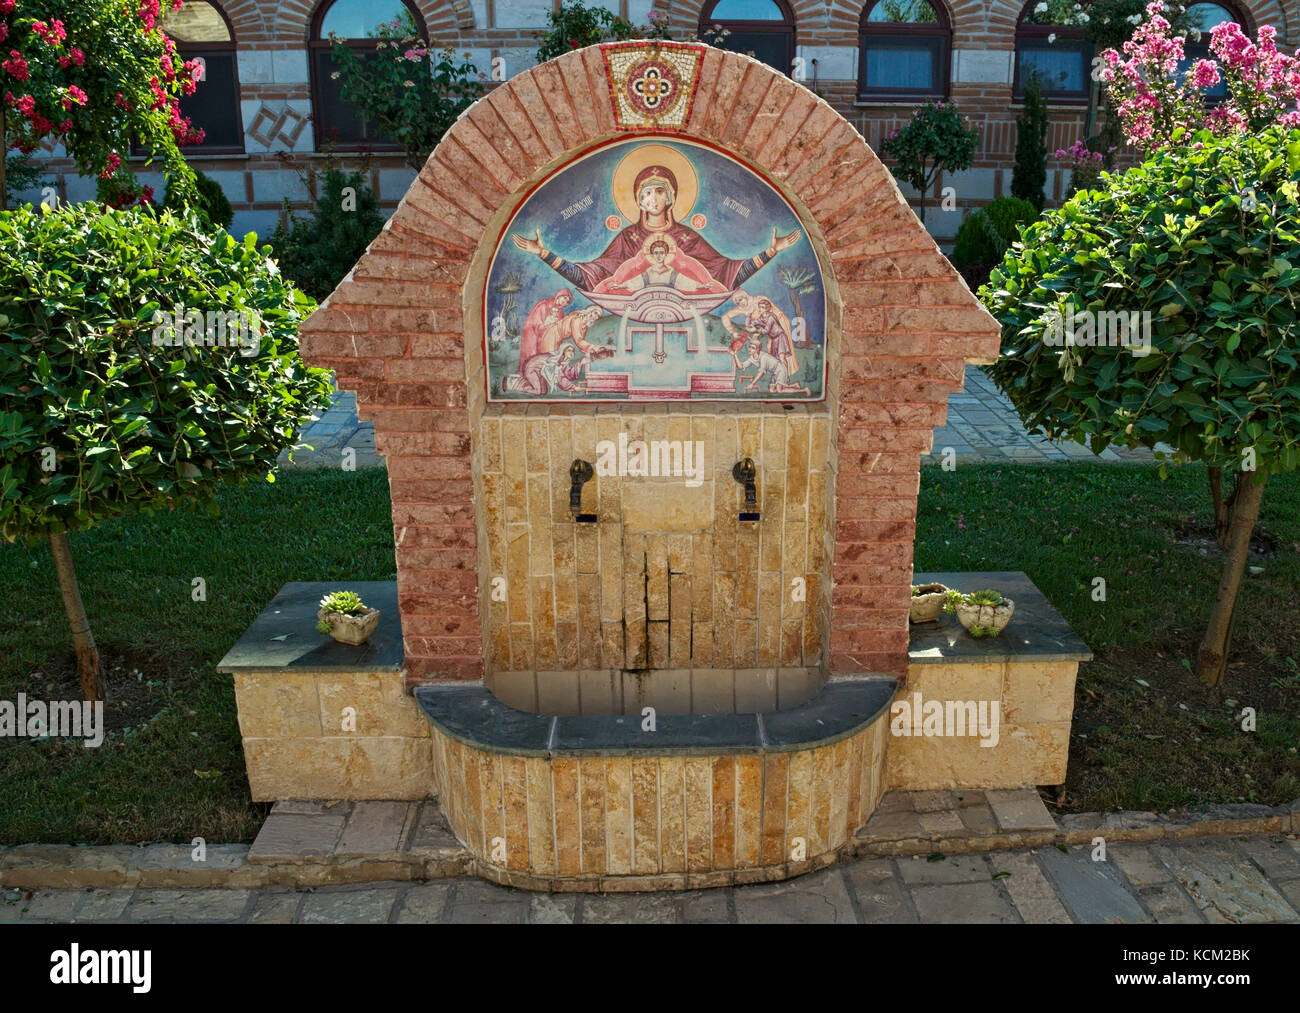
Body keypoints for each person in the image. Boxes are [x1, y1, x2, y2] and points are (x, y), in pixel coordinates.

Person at [511, 164, 801, 293]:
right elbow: (592, 276)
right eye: (646, 193)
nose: (653, 199)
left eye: (659, 192)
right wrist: (544, 254)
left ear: (671, 197)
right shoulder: (628, 238)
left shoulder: (687, 238)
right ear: (638, 201)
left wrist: (772, 251)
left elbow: (726, 274)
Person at [595, 235, 727, 295]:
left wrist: (702, 286)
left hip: (670, 301)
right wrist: (620, 286)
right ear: (652, 255)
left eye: (661, 253)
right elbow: (635, 282)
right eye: (656, 253)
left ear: (666, 254)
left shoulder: (672, 272)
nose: (659, 255)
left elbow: (686, 282)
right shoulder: (648, 272)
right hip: (648, 302)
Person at [733, 334, 809, 396]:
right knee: (772, 390)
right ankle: (795, 384)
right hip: (774, 372)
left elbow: (761, 373)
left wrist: (752, 384)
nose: (750, 349)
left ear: (757, 350)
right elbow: (740, 366)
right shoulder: (751, 358)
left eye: (753, 348)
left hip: (780, 369)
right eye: (749, 347)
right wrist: (734, 355)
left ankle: (804, 390)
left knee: (779, 390)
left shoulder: (763, 357)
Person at [518, 288, 572, 371]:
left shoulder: (560, 313)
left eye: (567, 301)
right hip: (534, 337)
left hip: (548, 341)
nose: (565, 302)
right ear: (559, 295)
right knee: (532, 359)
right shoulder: (544, 305)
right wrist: (546, 327)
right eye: (564, 298)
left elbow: (559, 330)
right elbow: (535, 323)